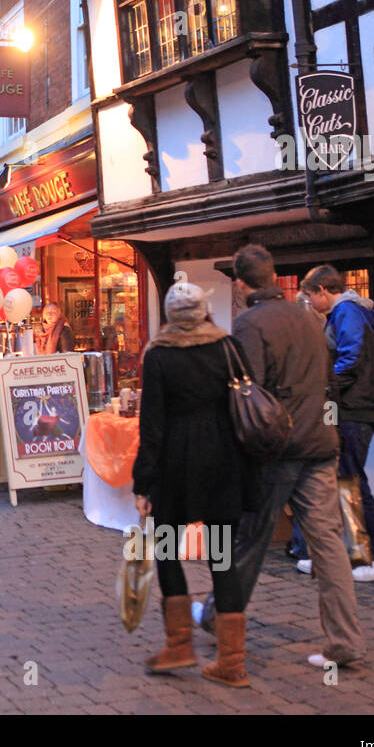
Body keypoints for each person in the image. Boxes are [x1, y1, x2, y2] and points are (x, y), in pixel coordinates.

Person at [199, 245, 365, 671]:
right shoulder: (310, 318)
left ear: (241, 282)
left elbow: (244, 395)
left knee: (250, 540)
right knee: (328, 542)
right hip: (320, 443)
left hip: (277, 450)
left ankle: (220, 618)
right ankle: (343, 640)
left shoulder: (249, 325)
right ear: (273, 276)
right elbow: (329, 379)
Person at [133, 283, 255, 687]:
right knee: (221, 558)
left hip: (176, 468)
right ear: (203, 311)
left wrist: (142, 482)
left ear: (171, 315)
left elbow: (151, 427)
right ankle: (232, 662)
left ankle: (180, 644)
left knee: (167, 551)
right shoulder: (227, 347)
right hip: (222, 464)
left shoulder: (160, 355)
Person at [297, 265, 374, 582]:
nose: (310, 303)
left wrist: (325, 386)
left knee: (351, 482)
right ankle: (360, 554)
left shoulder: (346, 312)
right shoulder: (350, 312)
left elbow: (351, 358)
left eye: (309, 296)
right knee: (346, 480)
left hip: (354, 408)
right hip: (355, 407)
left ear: (321, 291)